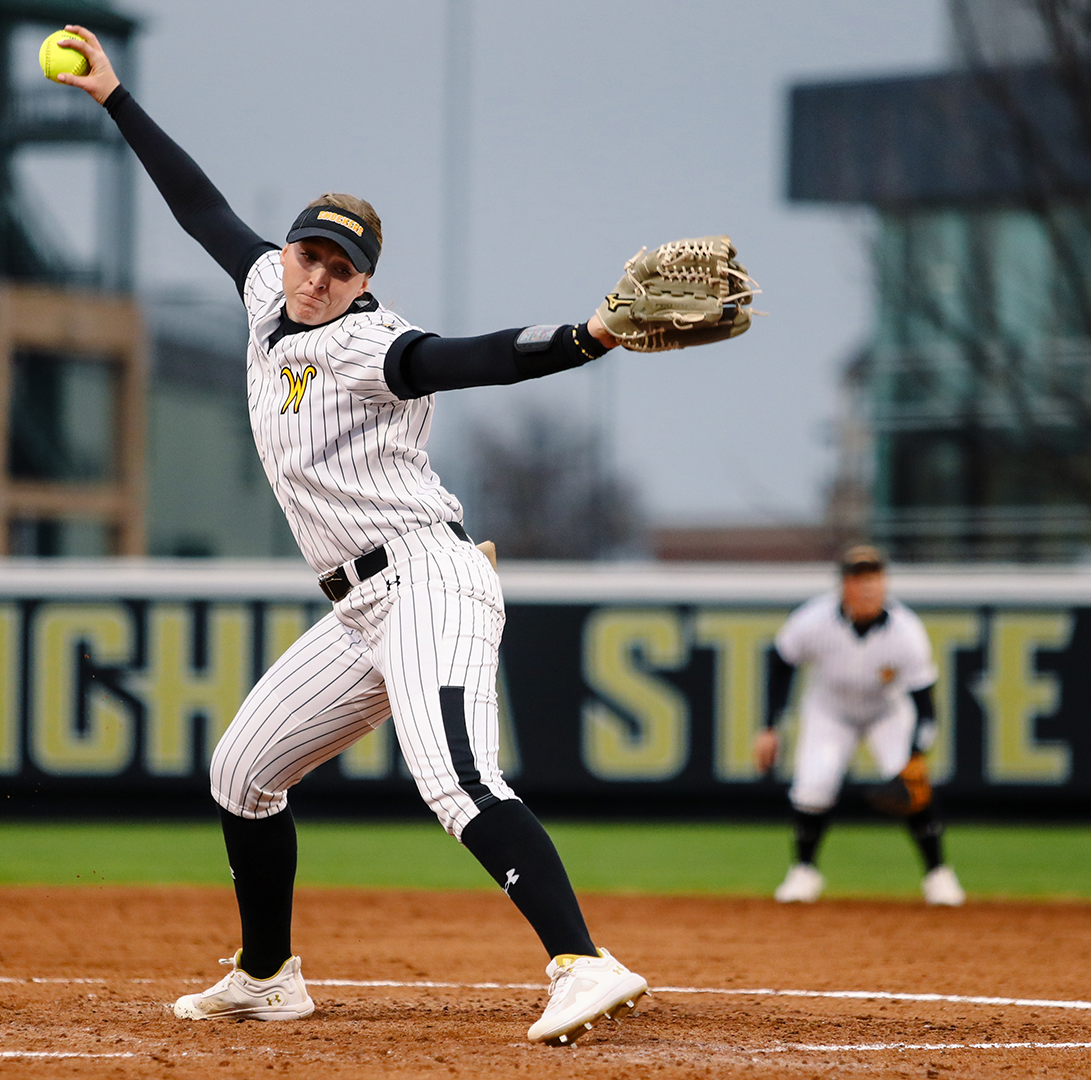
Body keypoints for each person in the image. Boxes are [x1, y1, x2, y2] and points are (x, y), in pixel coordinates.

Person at [49, 26, 648, 1046]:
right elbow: (200, 207)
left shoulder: (371, 343)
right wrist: (115, 98)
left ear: (363, 280)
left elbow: (475, 360)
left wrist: (585, 337)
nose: (316, 276)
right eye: (307, 253)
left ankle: (583, 960)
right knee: (240, 774)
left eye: (338, 265)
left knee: (456, 779)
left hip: (428, 580)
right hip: (359, 605)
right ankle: (269, 973)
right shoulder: (263, 297)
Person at [752, 545, 965, 907]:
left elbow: (926, 705)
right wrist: (769, 726)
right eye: (858, 578)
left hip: (887, 710)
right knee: (814, 783)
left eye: (875, 578)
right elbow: (782, 661)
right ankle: (804, 872)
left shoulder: (906, 631)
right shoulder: (813, 619)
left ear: (885, 583)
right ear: (844, 585)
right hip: (830, 708)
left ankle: (938, 875)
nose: (868, 586)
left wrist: (917, 753)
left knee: (910, 781)